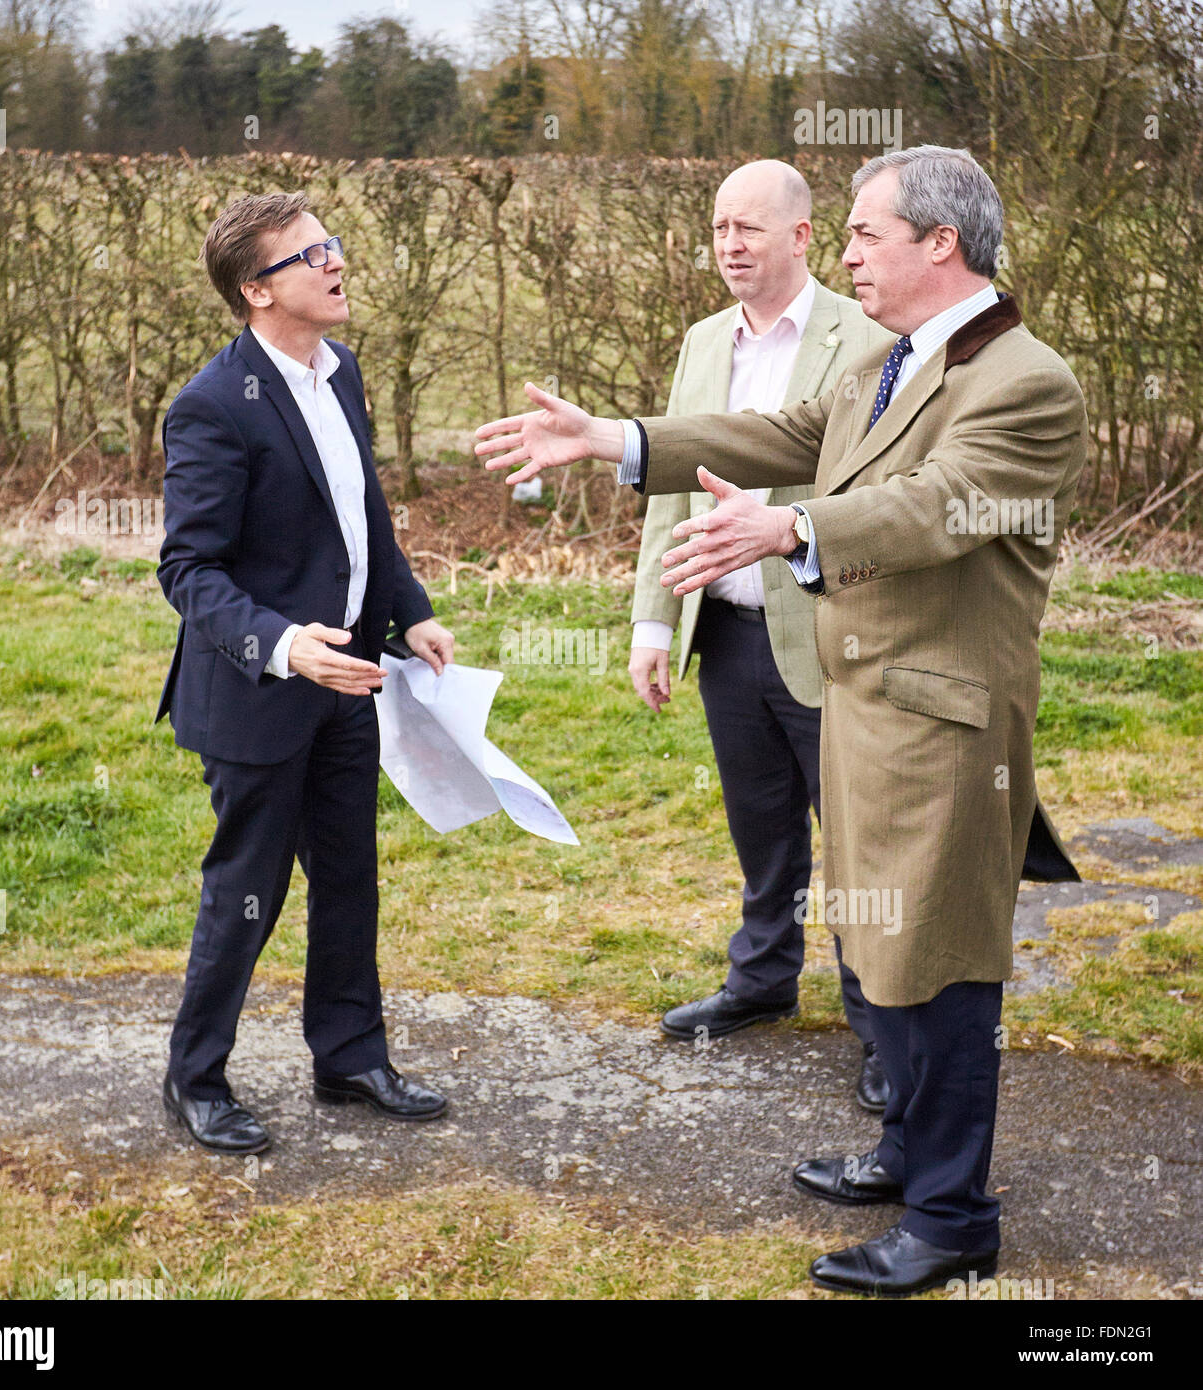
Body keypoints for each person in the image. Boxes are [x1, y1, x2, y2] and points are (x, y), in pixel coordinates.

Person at [474, 146, 1085, 1296]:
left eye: (864, 232)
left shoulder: (1023, 380)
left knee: (942, 965)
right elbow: (780, 439)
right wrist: (614, 440)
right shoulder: (890, 362)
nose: (845, 249)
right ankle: (905, 1152)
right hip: (868, 709)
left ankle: (952, 1217)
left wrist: (791, 534)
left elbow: (937, 506)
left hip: (945, 727)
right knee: (878, 942)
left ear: (939, 245)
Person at [156, 192, 454, 1155]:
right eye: (310, 254)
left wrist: (409, 615)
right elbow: (189, 570)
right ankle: (195, 1078)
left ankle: (349, 1055)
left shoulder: (344, 371)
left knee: (349, 874)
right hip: (260, 694)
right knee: (247, 889)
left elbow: (361, 519)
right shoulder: (211, 405)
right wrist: (288, 648)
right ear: (255, 290)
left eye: (333, 244)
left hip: (353, 681)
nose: (336, 262)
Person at [630, 159, 890, 1113]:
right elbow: (671, 488)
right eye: (717, 229)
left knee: (859, 842)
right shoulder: (703, 343)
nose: (730, 246)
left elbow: (879, 495)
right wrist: (654, 621)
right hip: (727, 633)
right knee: (761, 828)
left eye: (748, 229)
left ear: (802, 237)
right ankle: (762, 981)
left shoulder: (867, 337)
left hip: (830, 633)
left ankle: (883, 1025)